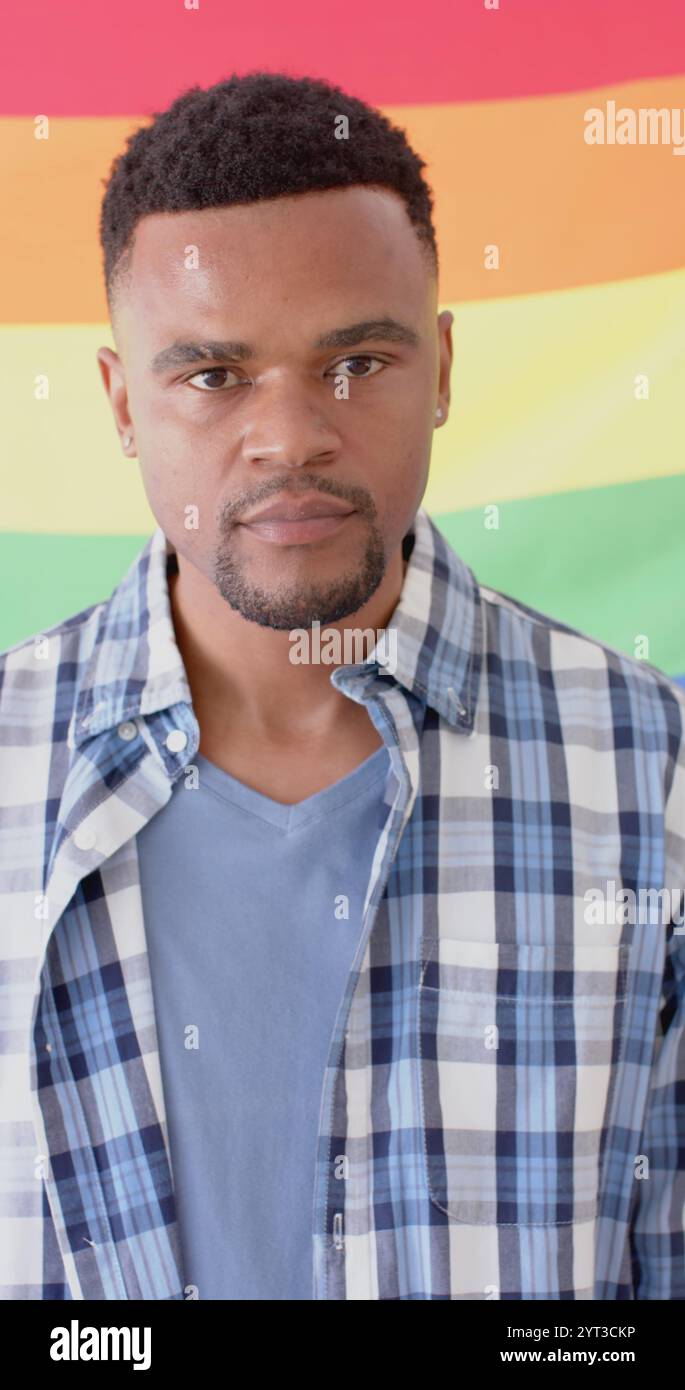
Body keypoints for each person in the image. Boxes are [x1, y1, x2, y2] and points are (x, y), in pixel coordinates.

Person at [1, 71, 683, 1302]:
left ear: (441, 368)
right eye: (211, 376)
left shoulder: (657, 774)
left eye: (357, 361)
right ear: (117, 402)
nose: (291, 436)